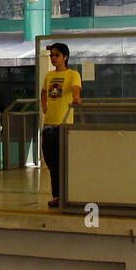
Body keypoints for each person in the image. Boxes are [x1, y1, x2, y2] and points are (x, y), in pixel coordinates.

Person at [40, 41, 81, 208]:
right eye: (52, 55)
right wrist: (44, 106)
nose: (53, 58)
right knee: (51, 163)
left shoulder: (73, 74)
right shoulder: (49, 76)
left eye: (57, 55)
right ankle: (57, 196)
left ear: (65, 57)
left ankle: (68, 194)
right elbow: (43, 92)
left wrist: (76, 99)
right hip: (49, 124)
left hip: (64, 125)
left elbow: (76, 88)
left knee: (63, 162)